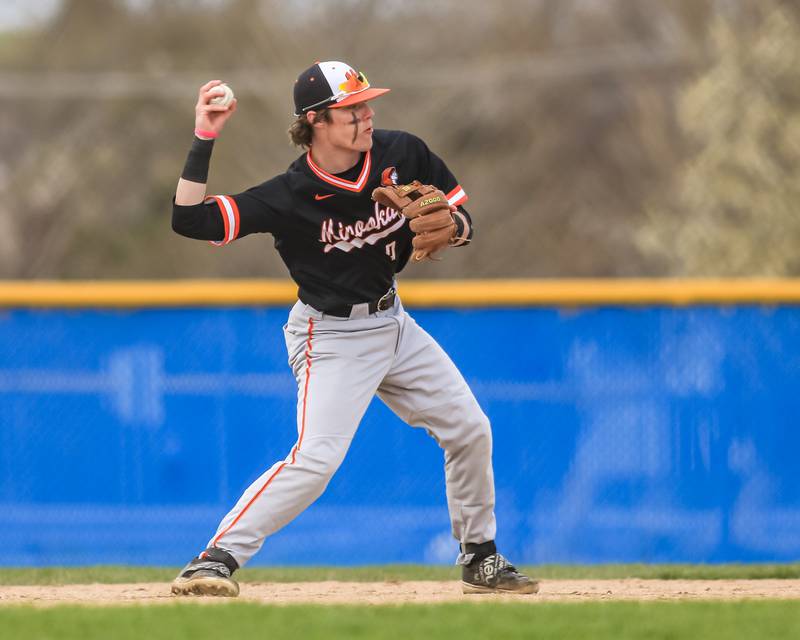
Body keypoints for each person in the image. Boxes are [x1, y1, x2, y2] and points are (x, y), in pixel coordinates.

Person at [170, 61, 538, 597]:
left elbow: (462, 219)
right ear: (315, 121)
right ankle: (214, 559)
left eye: (366, 104)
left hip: (394, 322)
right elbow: (189, 220)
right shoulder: (289, 194)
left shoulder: (402, 153)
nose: (366, 115)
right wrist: (205, 136)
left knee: (470, 429)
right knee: (316, 459)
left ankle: (479, 557)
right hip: (331, 336)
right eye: (351, 110)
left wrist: (453, 228)